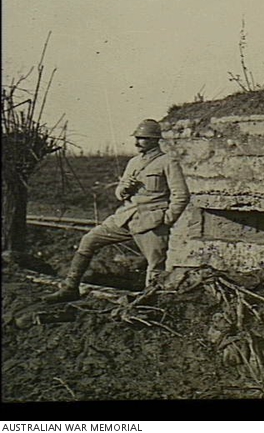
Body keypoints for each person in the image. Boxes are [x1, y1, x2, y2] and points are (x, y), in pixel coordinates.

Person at [43, 119, 190, 303]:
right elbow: (119, 193)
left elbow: (181, 194)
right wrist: (124, 190)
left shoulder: (168, 161)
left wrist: (167, 219)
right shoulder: (133, 162)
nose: (137, 142)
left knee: (155, 264)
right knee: (89, 240)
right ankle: (70, 288)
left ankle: (149, 304)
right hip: (125, 216)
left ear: (155, 140)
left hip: (151, 220)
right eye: (136, 138)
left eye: (142, 138)